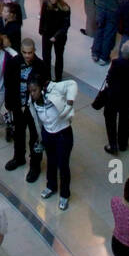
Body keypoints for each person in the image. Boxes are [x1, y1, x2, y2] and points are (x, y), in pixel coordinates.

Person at [29, 76, 76, 210]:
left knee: (63, 165)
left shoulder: (53, 95)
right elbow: (37, 120)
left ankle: (65, 194)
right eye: (30, 91)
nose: (32, 94)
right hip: (47, 134)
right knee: (51, 161)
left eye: (35, 90)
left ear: (41, 89)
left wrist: (68, 104)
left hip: (63, 134)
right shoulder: (32, 102)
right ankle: (51, 186)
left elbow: (71, 85)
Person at [3, 39, 45, 178]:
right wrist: (9, 104)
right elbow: (8, 84)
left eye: (30, 52)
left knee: (35, 136)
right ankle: (19, 158)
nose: (28, 55)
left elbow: (45, 88)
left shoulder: (40, 66)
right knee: (19, 133)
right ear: (21, 51)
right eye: (25, 52)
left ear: (34, 51)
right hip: (17, 106)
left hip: (33, 108)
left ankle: (35, 166)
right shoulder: (13, 63)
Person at [102, 40, 129, 155]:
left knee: (110, 119)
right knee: (126, 122)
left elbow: (109, 80)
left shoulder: (116, 63)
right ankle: (122, 143)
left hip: (114, 97)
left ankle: (112, 144)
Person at [38, 0, 71, 81]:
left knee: (59, 56)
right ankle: (47, 77)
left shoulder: (65, 8)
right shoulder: (46, 4)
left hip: (59, 36)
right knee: (46, 57)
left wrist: (56, 36)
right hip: (47, 34)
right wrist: (41, 31)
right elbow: (42, 19)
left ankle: (58, 77)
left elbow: (66, 25)